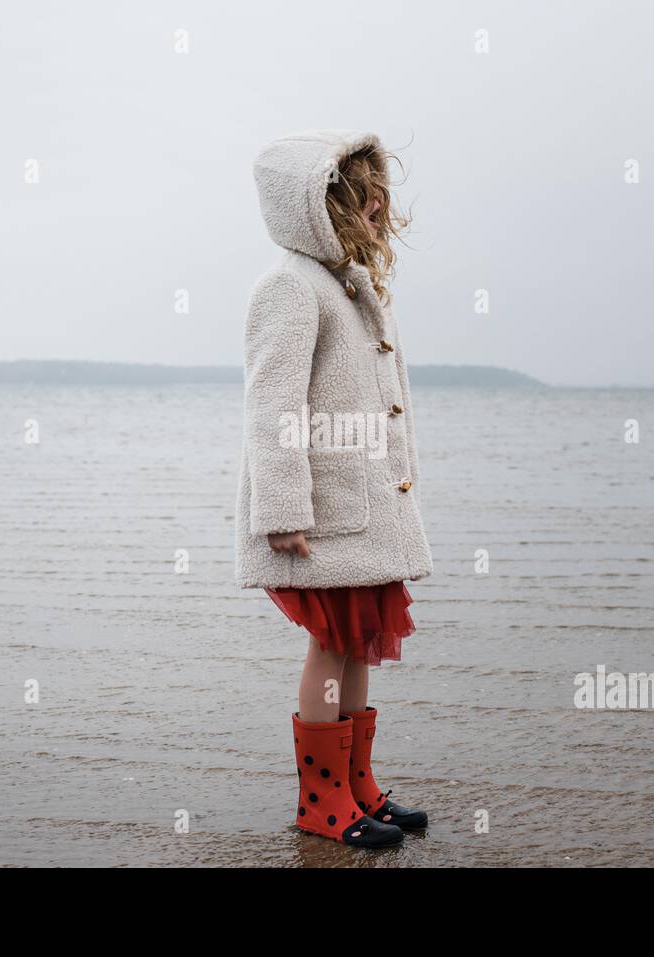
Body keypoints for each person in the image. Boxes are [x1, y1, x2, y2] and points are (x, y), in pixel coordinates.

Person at [235, 131, 434, 847]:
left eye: (381, 196)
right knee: (330, 643)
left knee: (356, 646)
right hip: (319, 515)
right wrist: (282, 507)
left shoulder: (351, 287)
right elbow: (272, 404)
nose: (377, 208)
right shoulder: (290, 286)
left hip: (362, 508)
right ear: (317, 206)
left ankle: (357, 787)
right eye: (360, 196)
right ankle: (322, 803)